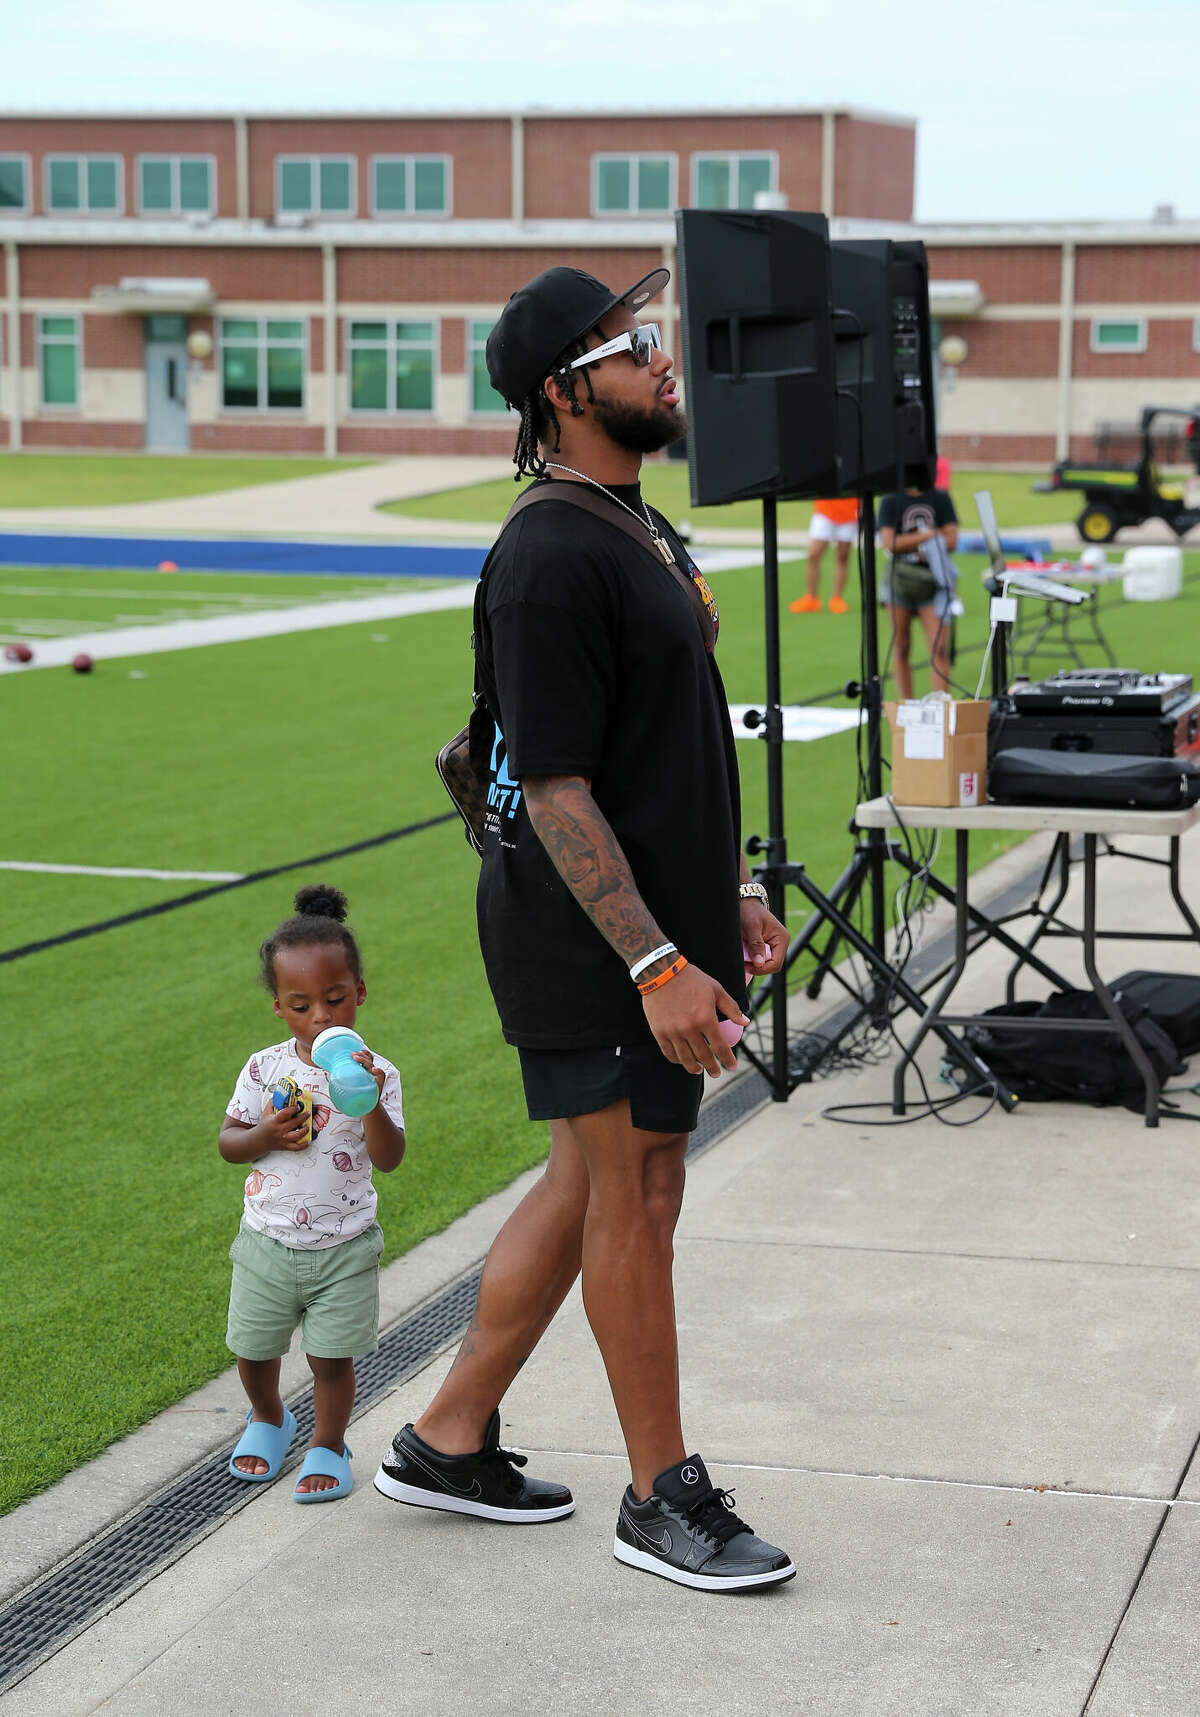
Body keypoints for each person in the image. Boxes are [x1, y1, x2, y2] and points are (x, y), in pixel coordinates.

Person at [373, 264, 796, 1593]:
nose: (663, 359)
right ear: (565, 389)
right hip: (590, 939)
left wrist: (726, 890)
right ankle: (662, 1497)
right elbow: (554, 788)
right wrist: (658, 960)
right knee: (639, 1189)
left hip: (653, 924)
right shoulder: (549, 553)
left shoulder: (628, 521)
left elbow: (665, 742)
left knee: (583, 1180)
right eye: (632, 344)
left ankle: (448, 1438)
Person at [219, 884, 405, 1501]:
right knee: (253, 1350)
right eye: (301, 1005)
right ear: (279, 1007)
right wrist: (264, 1135)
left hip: (344, 1246)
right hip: (267, 1241)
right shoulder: (263, 1068)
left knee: (331, 1360)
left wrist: (369, 1101)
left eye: (335, 999)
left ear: (360, 992)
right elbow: (229, 1142)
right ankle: (270, 1416)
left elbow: (390, 1158)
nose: (320, 1016)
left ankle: (329, 1442)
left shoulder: (378, 1072)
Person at [877, 477, 959, 701]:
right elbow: (890, 543)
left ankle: (941, 705)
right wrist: (929, 535)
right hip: (900, 580)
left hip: (934, 581)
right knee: (901, 645)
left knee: (939, 647)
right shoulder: (891, 499)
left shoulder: (940, 498)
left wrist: (908, 541)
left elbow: (952, 540)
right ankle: (906, 704)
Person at [789, 496, 858, 614]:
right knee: (813, 554)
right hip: (824, 512)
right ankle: (811, 597)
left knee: (843, 557)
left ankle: (836, 598)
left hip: (849, 514)